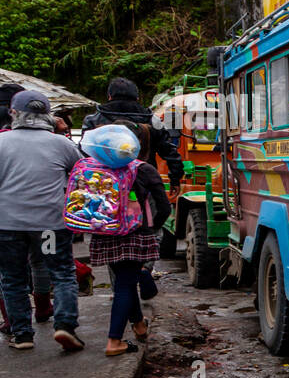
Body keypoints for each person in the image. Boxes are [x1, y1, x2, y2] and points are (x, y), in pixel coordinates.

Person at [0, 90, 84, 351]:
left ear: (14, 113)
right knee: (60, 273)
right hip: (49, 227)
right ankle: (64, 326)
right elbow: (82, 177)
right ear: (48, 115)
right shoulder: (62, 144)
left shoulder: (1, 143)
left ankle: (23, 335)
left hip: (8, 226)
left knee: (12, 278)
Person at [87, 124, 170, 357]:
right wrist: (152, 228)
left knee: (125, 280)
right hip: (136, 234)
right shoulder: (144, 169)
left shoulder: (95, 168)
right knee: (125, 284)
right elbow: (163, 207)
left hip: (104, 233)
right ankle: (114, 341)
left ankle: (139, 325)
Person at [83, 77, 183, 190]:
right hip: (143, 182)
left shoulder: (94, 120)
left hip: (104, 184)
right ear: (137, 98)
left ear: (109, 96)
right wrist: (175, 180)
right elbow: (170, 153)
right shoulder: (152, 120)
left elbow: (84, 152)